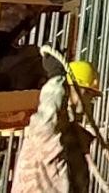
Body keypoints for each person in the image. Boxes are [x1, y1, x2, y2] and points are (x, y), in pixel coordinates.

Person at [10, 51, 99, 193]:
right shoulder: (46, 132)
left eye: (93, 96)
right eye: (87, 93)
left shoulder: (76, 140)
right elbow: (49, 117)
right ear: (70, 89)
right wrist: (56, 80)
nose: (90, 101)